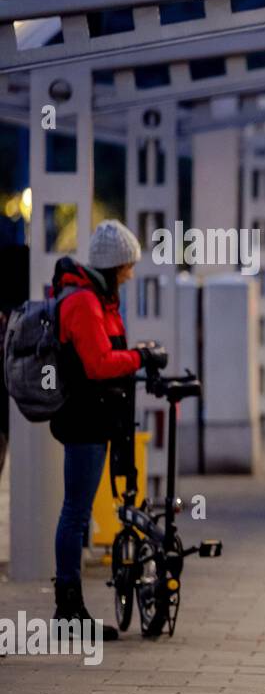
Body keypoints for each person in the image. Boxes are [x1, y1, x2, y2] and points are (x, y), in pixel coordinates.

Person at [50, 220, 168, 640]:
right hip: (83, 418)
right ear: (114, 265)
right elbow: (98, 364)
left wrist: (137, 357)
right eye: (127, 267)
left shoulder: (100, 299)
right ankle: (68, 611)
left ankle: (70, 608)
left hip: (99, 417)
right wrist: (140, 357)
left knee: (77, 512)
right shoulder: (83, 302)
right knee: (76, 512)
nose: (131, 274)